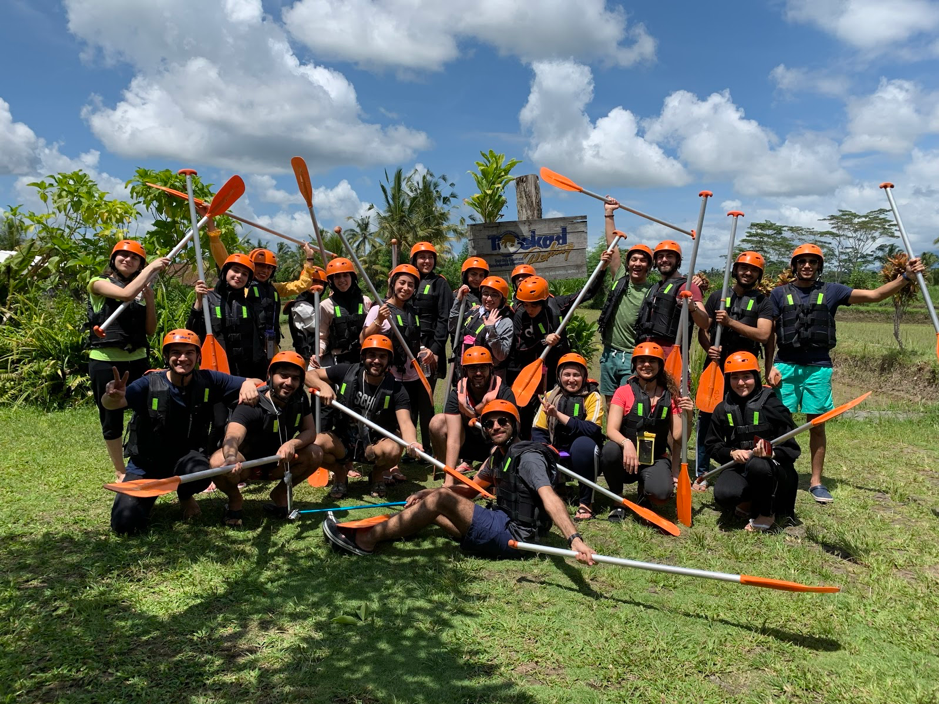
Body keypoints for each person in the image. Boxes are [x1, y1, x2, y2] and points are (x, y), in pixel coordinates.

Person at [322, 399, 597, 564]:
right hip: (500, 521)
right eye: (489, 424)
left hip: (517, 536)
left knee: (441, 499)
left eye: (503, 421)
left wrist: (574, 539)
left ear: (514, 424)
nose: (496, 427)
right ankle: (398, 529)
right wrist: (430, 491)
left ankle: (366, 540)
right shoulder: (498, 456)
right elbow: (472, 488)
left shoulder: (528, 458)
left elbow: (549, 497)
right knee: (433, 499)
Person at [767, 244, 925, 504]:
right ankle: (775, 472)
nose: (807, 266)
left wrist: (905, 277)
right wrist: (768, 366)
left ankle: (816, 482)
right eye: (802, 261)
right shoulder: (778, 294)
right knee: (777, 424)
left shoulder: (832, 291)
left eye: (812, 262)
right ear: (794, 265)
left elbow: (875, 295)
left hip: (818, 367)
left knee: (817, 425)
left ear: (819, 266)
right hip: (784, 366)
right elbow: (770, 334)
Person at [102, 329, 261, 535]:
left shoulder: (208, 379)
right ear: (167, 357)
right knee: (124, 525)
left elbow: (256, 380)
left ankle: (185, 496)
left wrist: (248, 383)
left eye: (189, 353)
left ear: (197, 356)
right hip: (147, 464)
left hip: (187, 459)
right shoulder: (149, 383)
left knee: (202, 473)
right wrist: (112, 396)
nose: (182, 358)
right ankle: (146, 496)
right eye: (176, 352)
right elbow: (114, 403)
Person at [209, 351, 324, 526]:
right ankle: (234, 500)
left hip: (277, 464)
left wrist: (292, 443)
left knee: (315, 452)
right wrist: (231, 456)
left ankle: (280, 494)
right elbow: (233, 435)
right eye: (283, 376)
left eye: (295, 378)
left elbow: (309, 431)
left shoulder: (299, 399)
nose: (289, 383)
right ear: (270, 376)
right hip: (245, 466)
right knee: (218, 462)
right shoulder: (251, 403)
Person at [87, 240, 169, 480]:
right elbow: (125, 294)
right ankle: (120, 470)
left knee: (149, 411)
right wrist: (151, 268)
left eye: (134, 258)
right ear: (113, 260)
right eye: (122, 255)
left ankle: (146, 458)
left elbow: (150, 330)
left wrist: (150, 299)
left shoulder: (141, 292)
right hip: (105, 359)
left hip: (138, 359)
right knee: (111, 414)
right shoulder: (97, 283)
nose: (128, 260)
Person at [305, 335, 421, 499]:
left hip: (374, 444)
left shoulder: (396, 389)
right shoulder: (346, 371)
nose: (376, 361)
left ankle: (377, 474)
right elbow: (308, 375)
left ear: (389, 360)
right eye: (372, 355)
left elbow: (405, 422)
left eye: (382, 356)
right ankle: (340, 472)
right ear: (363, 357)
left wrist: (412, 442)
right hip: (343, 439)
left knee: (394, 449)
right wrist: (323, 386)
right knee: (315, 445)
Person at [695, 251, 774, 477]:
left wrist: (730, 322)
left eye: (753, 270)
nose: (747, 273)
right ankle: (702, 471)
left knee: (745, 417)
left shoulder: (763, 302)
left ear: (759, 275)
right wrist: (708, 348)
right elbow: (703, 328)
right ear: (735, 270)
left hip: (744, 372)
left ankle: (740, 465)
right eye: (743, 268)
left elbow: (763, 334)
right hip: (717, 369)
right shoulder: (718, 297)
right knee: (708, 418)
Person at [704, 352, 801, 532]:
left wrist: (771, 453)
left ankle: (766, 512)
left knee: (759, 465)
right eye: (735, 377)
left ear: (755, 377)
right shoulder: (722, 408)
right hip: (741, 467)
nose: (741, 383)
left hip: (774, 470)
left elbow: (792, 450)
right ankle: (749, 502)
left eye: (746, 376)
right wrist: (731, 453)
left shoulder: (772, 405)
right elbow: (712, 445)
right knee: (724, 495)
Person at [509, 263, 609, 435]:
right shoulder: (520, 315)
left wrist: (602, 269)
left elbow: (588, 292)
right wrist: (543, 340)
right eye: (526, 305)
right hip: (533, 372)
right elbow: (519, 347)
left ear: (543, 301)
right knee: (529, 411)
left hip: (558, 368)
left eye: (533, 305)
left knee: (561, 404)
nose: (529, 309)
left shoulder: (557, 305)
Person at [600, 342, 693, 521]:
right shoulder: (623, 392)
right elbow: (611, 430)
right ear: (634, 365)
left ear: (660, 365)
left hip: (654, 458)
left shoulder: (670, 396)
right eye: (641, 361)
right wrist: (626, 443)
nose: (646, 365)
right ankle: (618, 500)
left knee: (661, 496)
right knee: (610, 450)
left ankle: (645, 492)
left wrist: (688, 415)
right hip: (626, 459)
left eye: (652, 361)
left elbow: (679, 437)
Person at [360, 264, 433, 473]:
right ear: (393, 284)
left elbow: (411, 341)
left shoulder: (412, 311)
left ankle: (399, 460)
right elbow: (363, 339)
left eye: (411, 284)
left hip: (411, 375)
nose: (406, 288)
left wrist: (424, 350)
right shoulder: (378, 308)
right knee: (388, 420)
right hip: (388, 375)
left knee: (406, 419)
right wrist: (379, 320)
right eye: (402, 283)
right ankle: (388, 465)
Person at [429, 347, 517, 486]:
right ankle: (453, 472)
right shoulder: (457, 394)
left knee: (501, 447)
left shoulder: (504, 393)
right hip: (467, 443)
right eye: (472, 369)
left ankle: (488, 475)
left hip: (494, 444)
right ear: (465, 371)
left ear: (490, 368)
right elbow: (453, 439)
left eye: (482, 368)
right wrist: (449, 480)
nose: (478, 373)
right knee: (437, 422)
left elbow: (512, 433)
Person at [531, 353, 604, 521]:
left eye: (576, 375)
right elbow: (538, 430)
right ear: (559, 376)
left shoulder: (593, 397)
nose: (571, 379)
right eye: (567, 375)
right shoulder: (550, 396)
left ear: (584, 377)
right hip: (558, 450)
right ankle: (558, 489)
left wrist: (557, 415)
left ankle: (586, 502)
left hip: (583, 454)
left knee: (583, 445)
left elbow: (591, 429)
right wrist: (545, 446)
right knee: (538, 447)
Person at [598, 198, 655, 403]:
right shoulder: (620, 278)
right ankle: (612, 435)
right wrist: (609, 213)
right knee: (610, 402)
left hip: (632, 355)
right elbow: (611, 243)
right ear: (628, 262)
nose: (637, 263)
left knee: (626, 403)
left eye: (643, 260)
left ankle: (624, 435)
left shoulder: (653, 291)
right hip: (608, 354)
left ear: (649, 266)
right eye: (634, 259)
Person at [188, 253, 265, 377]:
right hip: (218, 366)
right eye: (235, 270)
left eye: (244, 274)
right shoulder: (207, 298)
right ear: (225, 271)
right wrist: (198, 301)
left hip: (245, 369)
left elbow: (257, 341)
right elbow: (192, 329)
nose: (239, 276)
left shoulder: (249, 304)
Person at [287, 258, 372, 367]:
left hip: (364, 355)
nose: (342, 280)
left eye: (345, 275)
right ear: (331, 280)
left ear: (352, 277)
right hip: (340, 359)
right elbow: (322, 336)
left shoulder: (365, 301)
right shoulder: (326, 305)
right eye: (337, 277)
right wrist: (319, 352)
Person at [635, 240, 709, 357]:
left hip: (672, 356)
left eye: (669, 256)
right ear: (655, 261)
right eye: (660, 257)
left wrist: (692, 308)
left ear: (678, 260)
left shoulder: (688, 286)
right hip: (649, 354)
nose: (664, 260)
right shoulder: (655, 287)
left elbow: (704, 323)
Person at [448, 275, 513, 381]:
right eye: (485, 294)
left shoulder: (505, 322)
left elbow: (501, 355)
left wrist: (491, 329)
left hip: (489, 377)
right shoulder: (475, 312)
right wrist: (458, 301)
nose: (489, 299)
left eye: (494, 295)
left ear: (502, 299)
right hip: (467, 372)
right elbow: (452, 327)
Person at [410, 241, 453, 383]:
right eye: (422, 257)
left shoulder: (440, 284)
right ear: (415, 260)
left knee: (425, 395)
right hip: (408, 343)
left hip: (430, 345)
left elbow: (444, 318)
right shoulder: (406, 282)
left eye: (430, 257)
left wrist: (435, 350)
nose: (427, 261)